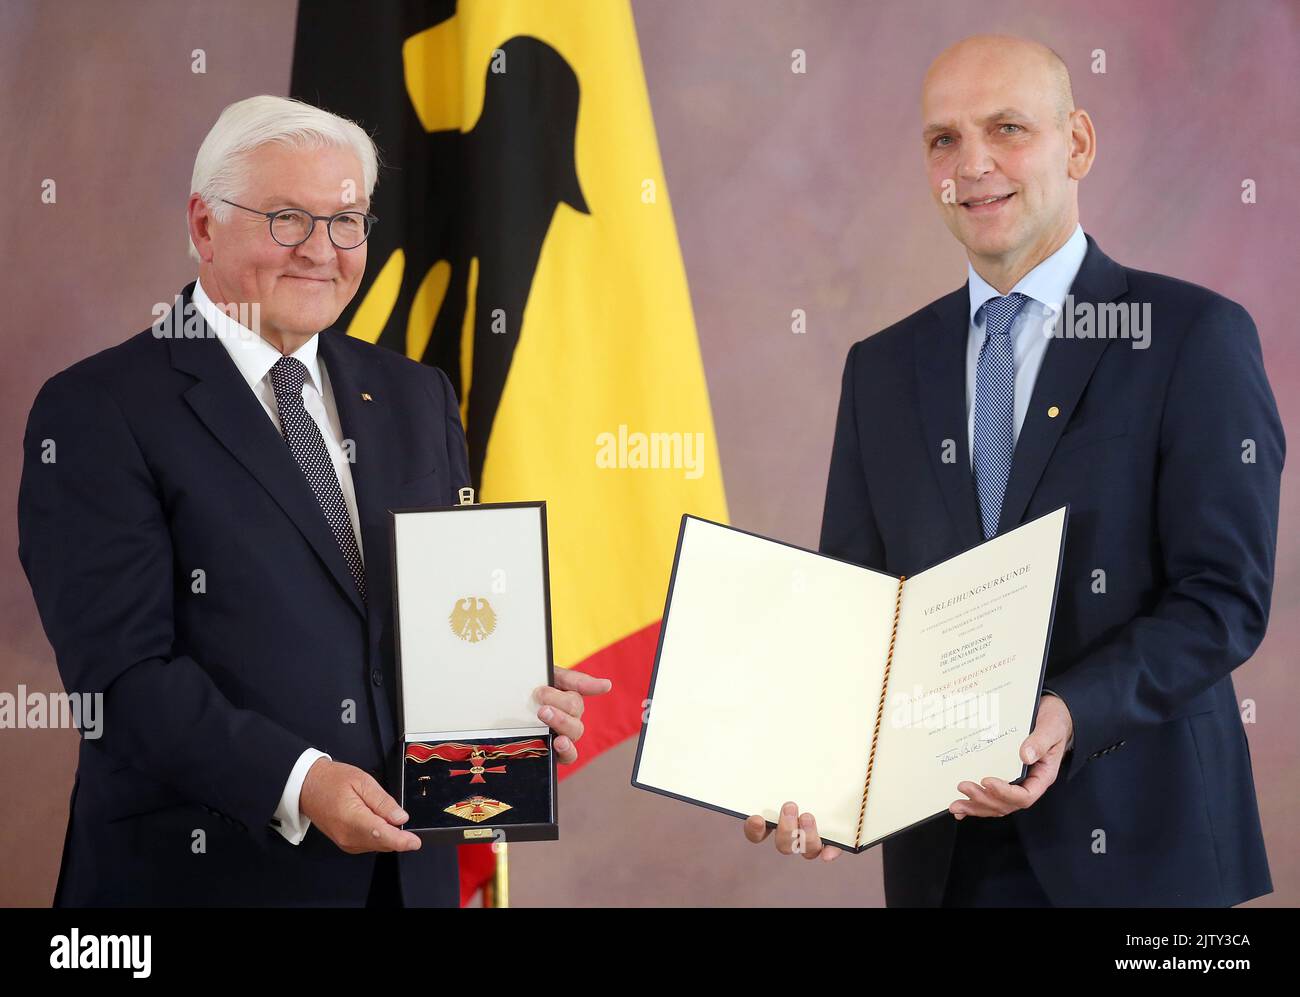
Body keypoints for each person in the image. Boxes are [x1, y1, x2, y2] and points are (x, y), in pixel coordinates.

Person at [18, 95, 610, 906]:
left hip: (407, 876)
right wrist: (301, 783)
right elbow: (122, 681)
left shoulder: (414, 396)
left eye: (347, 221)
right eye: (288, 219)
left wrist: (500, 690)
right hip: (204, 881)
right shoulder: (98, 410)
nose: (321, 251)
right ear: (203, 226)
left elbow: (417, 620)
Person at [743, 35, 1280, 906]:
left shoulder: (1191, 338)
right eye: (944, 140)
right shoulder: (881, 368)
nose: (974, 163)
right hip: (945, 864)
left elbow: (1223, 599)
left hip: (1148, 862)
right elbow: (858, 614)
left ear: (1078, 144)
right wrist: (808, 774)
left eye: (1007, 128)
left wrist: (1067, 711)